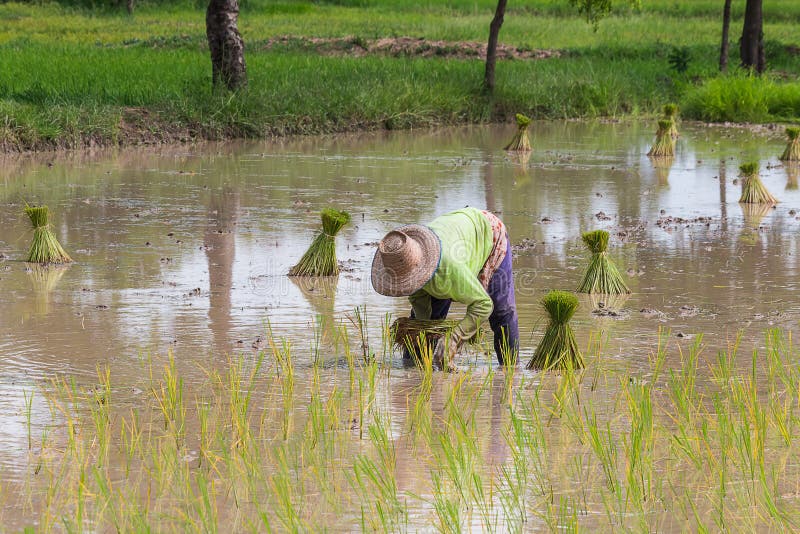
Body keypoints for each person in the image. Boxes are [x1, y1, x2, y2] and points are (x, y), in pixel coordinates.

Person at [371, 207, 519, 370]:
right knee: (429, 322)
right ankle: (413, 371)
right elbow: (421, 307)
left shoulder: (449, 271)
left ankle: (510, 372)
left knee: (502, 311)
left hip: (488, 233)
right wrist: (423, 330)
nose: (406, 285)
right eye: (404, 282)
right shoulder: (406, 263)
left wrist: (454, 339)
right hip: (453, 232)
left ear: (420, 268)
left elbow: (483, 305)